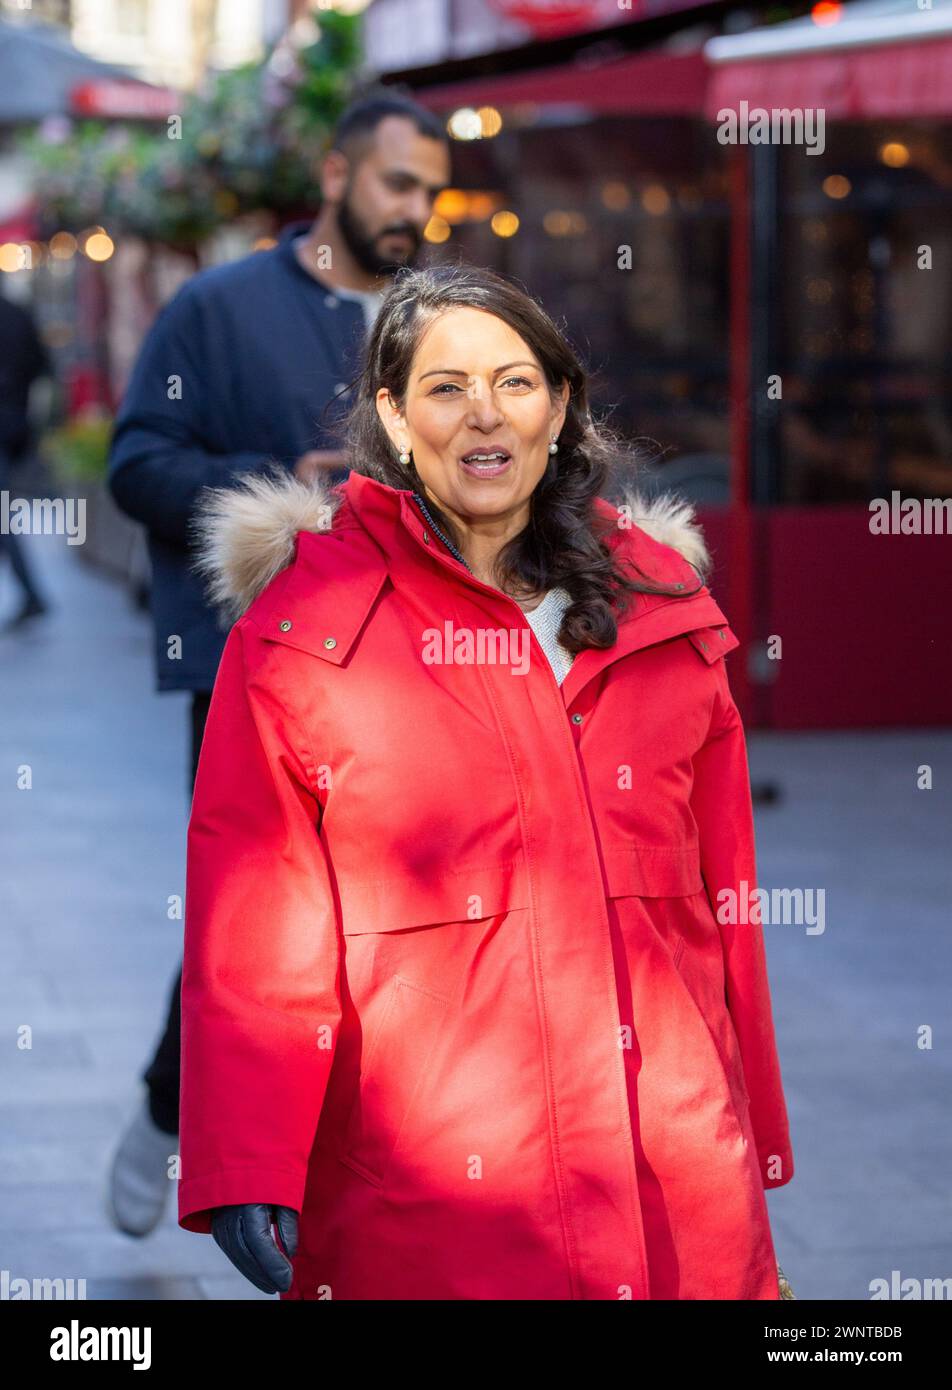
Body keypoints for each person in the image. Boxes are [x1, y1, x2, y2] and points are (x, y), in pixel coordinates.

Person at [176, 262, 795, 1300]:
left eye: (514, 381)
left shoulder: (665, 608)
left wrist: (749, 1119)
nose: (483, 414)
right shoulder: (305, 627)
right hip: (436, 1173)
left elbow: (724, 901)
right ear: (393, 414)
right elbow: (258, 915)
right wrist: (248, 1156)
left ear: (559, 407)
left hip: (667, 1154)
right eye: (445, 386)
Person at [104, 90, 451, 1237]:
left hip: (421, 676)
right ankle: (180, 1110)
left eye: (429, 189)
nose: (417, 208)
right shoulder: (215, 306)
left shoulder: (443, 313)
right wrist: (275, 488)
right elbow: (136, 463)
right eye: (399, 183)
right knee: (255, 918)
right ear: (336, 173)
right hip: (257, 672)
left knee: (388, 917)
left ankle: (373, 1163)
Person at [0, 291, 52, 629]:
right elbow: (41, 368)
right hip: (14, 424)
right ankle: (32, 593)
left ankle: (33, 594)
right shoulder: (18, 314)